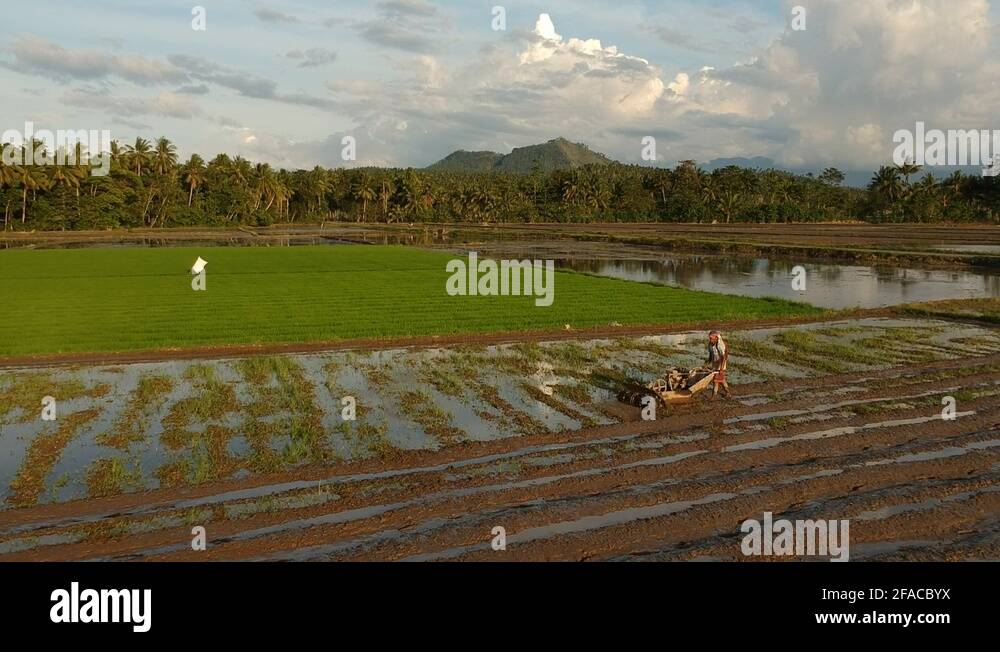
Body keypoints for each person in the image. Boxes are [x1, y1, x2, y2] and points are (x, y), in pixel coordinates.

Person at [706, 330, 731, 399]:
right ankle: (727, 393)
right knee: (721, 380)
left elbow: (723, 357)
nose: (710, 340)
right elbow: (711, 354)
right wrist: (707, 363)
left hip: (721, 363)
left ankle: (714, 395)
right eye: (710, 338)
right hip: (715, 362)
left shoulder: (720, 345)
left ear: (716, 338)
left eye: (712, 339)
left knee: (716, 380)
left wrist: (721, 369)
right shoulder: (710, 344)